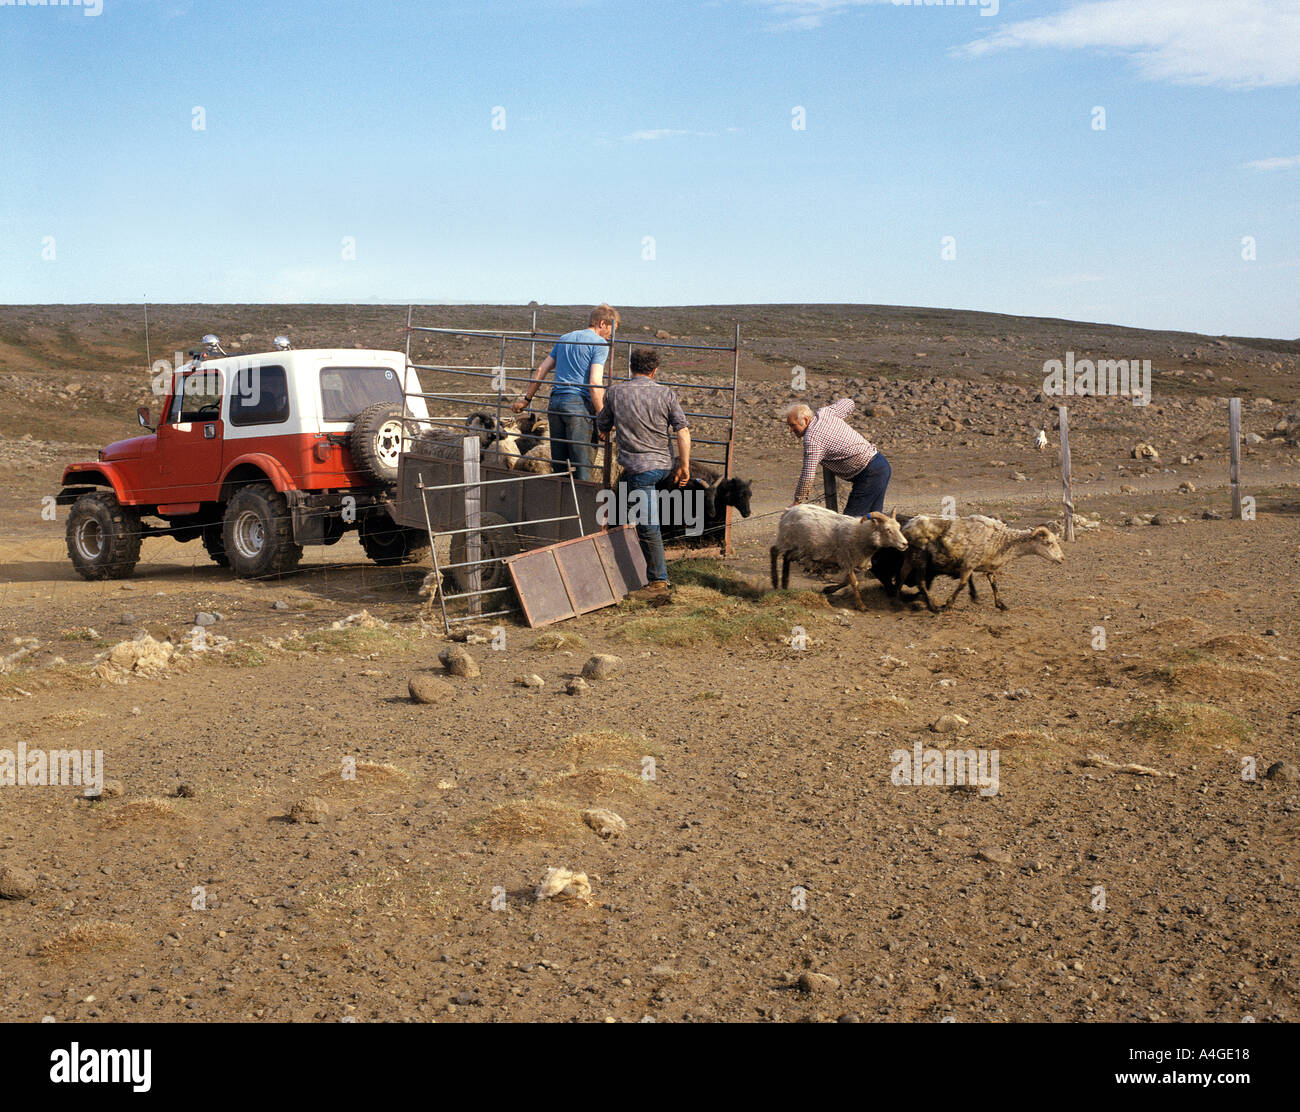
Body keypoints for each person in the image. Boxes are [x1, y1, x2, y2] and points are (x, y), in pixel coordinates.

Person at [596, 347, 690, 601]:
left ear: (631, 367)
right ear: (655, 370)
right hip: (663, 466)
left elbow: (602, 424)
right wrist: (685, 465)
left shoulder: (615, 392)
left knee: (648, 524)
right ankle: (632, 555)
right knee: (628, 499)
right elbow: (682, 430)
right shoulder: (666, 393)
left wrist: (609, 427)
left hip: (639, 469)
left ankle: (658, 581)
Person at [512, 304, 619, 481]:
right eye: (612, 329)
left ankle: (561, 502)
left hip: (555, 403)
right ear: (602, 323)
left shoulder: (565, 338)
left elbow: (541, 370)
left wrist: (526, 400)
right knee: (582, 465)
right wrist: (602, 417)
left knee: (560, 464)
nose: (611, 334)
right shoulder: (600, 344)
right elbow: (594, 383)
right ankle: (583, 505)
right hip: (577, 405)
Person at [786, 399, 891, 515]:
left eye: (792, 425)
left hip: (869, 474)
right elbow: (849, 403)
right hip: (880, 463)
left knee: (850, 524)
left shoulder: (812, 440)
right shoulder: (825, 413)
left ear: (805, 420)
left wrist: (797, 502)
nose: (790, 430)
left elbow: (807, 475)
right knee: (872, 520)